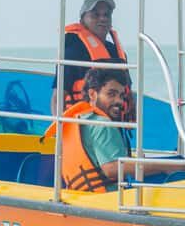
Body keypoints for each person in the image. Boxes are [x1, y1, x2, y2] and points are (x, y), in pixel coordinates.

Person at [45, 68, 174, 193]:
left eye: (121, 96)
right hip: (108, 199)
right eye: (111, 94)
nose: (119, 101)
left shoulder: (80, 119)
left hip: (82, 195)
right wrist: (166, 167)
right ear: (92, 94)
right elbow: (112, 168)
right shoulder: (103, 124)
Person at [50, 0, 130, 114]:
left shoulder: (118, 54)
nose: (102, 19)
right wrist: (60, 129)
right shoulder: (71, 53)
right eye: (95, 15)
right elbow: (58, 98)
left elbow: (127, 92)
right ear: (82, 21)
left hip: (114, 124)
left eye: (106, 15)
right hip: (84, 124)